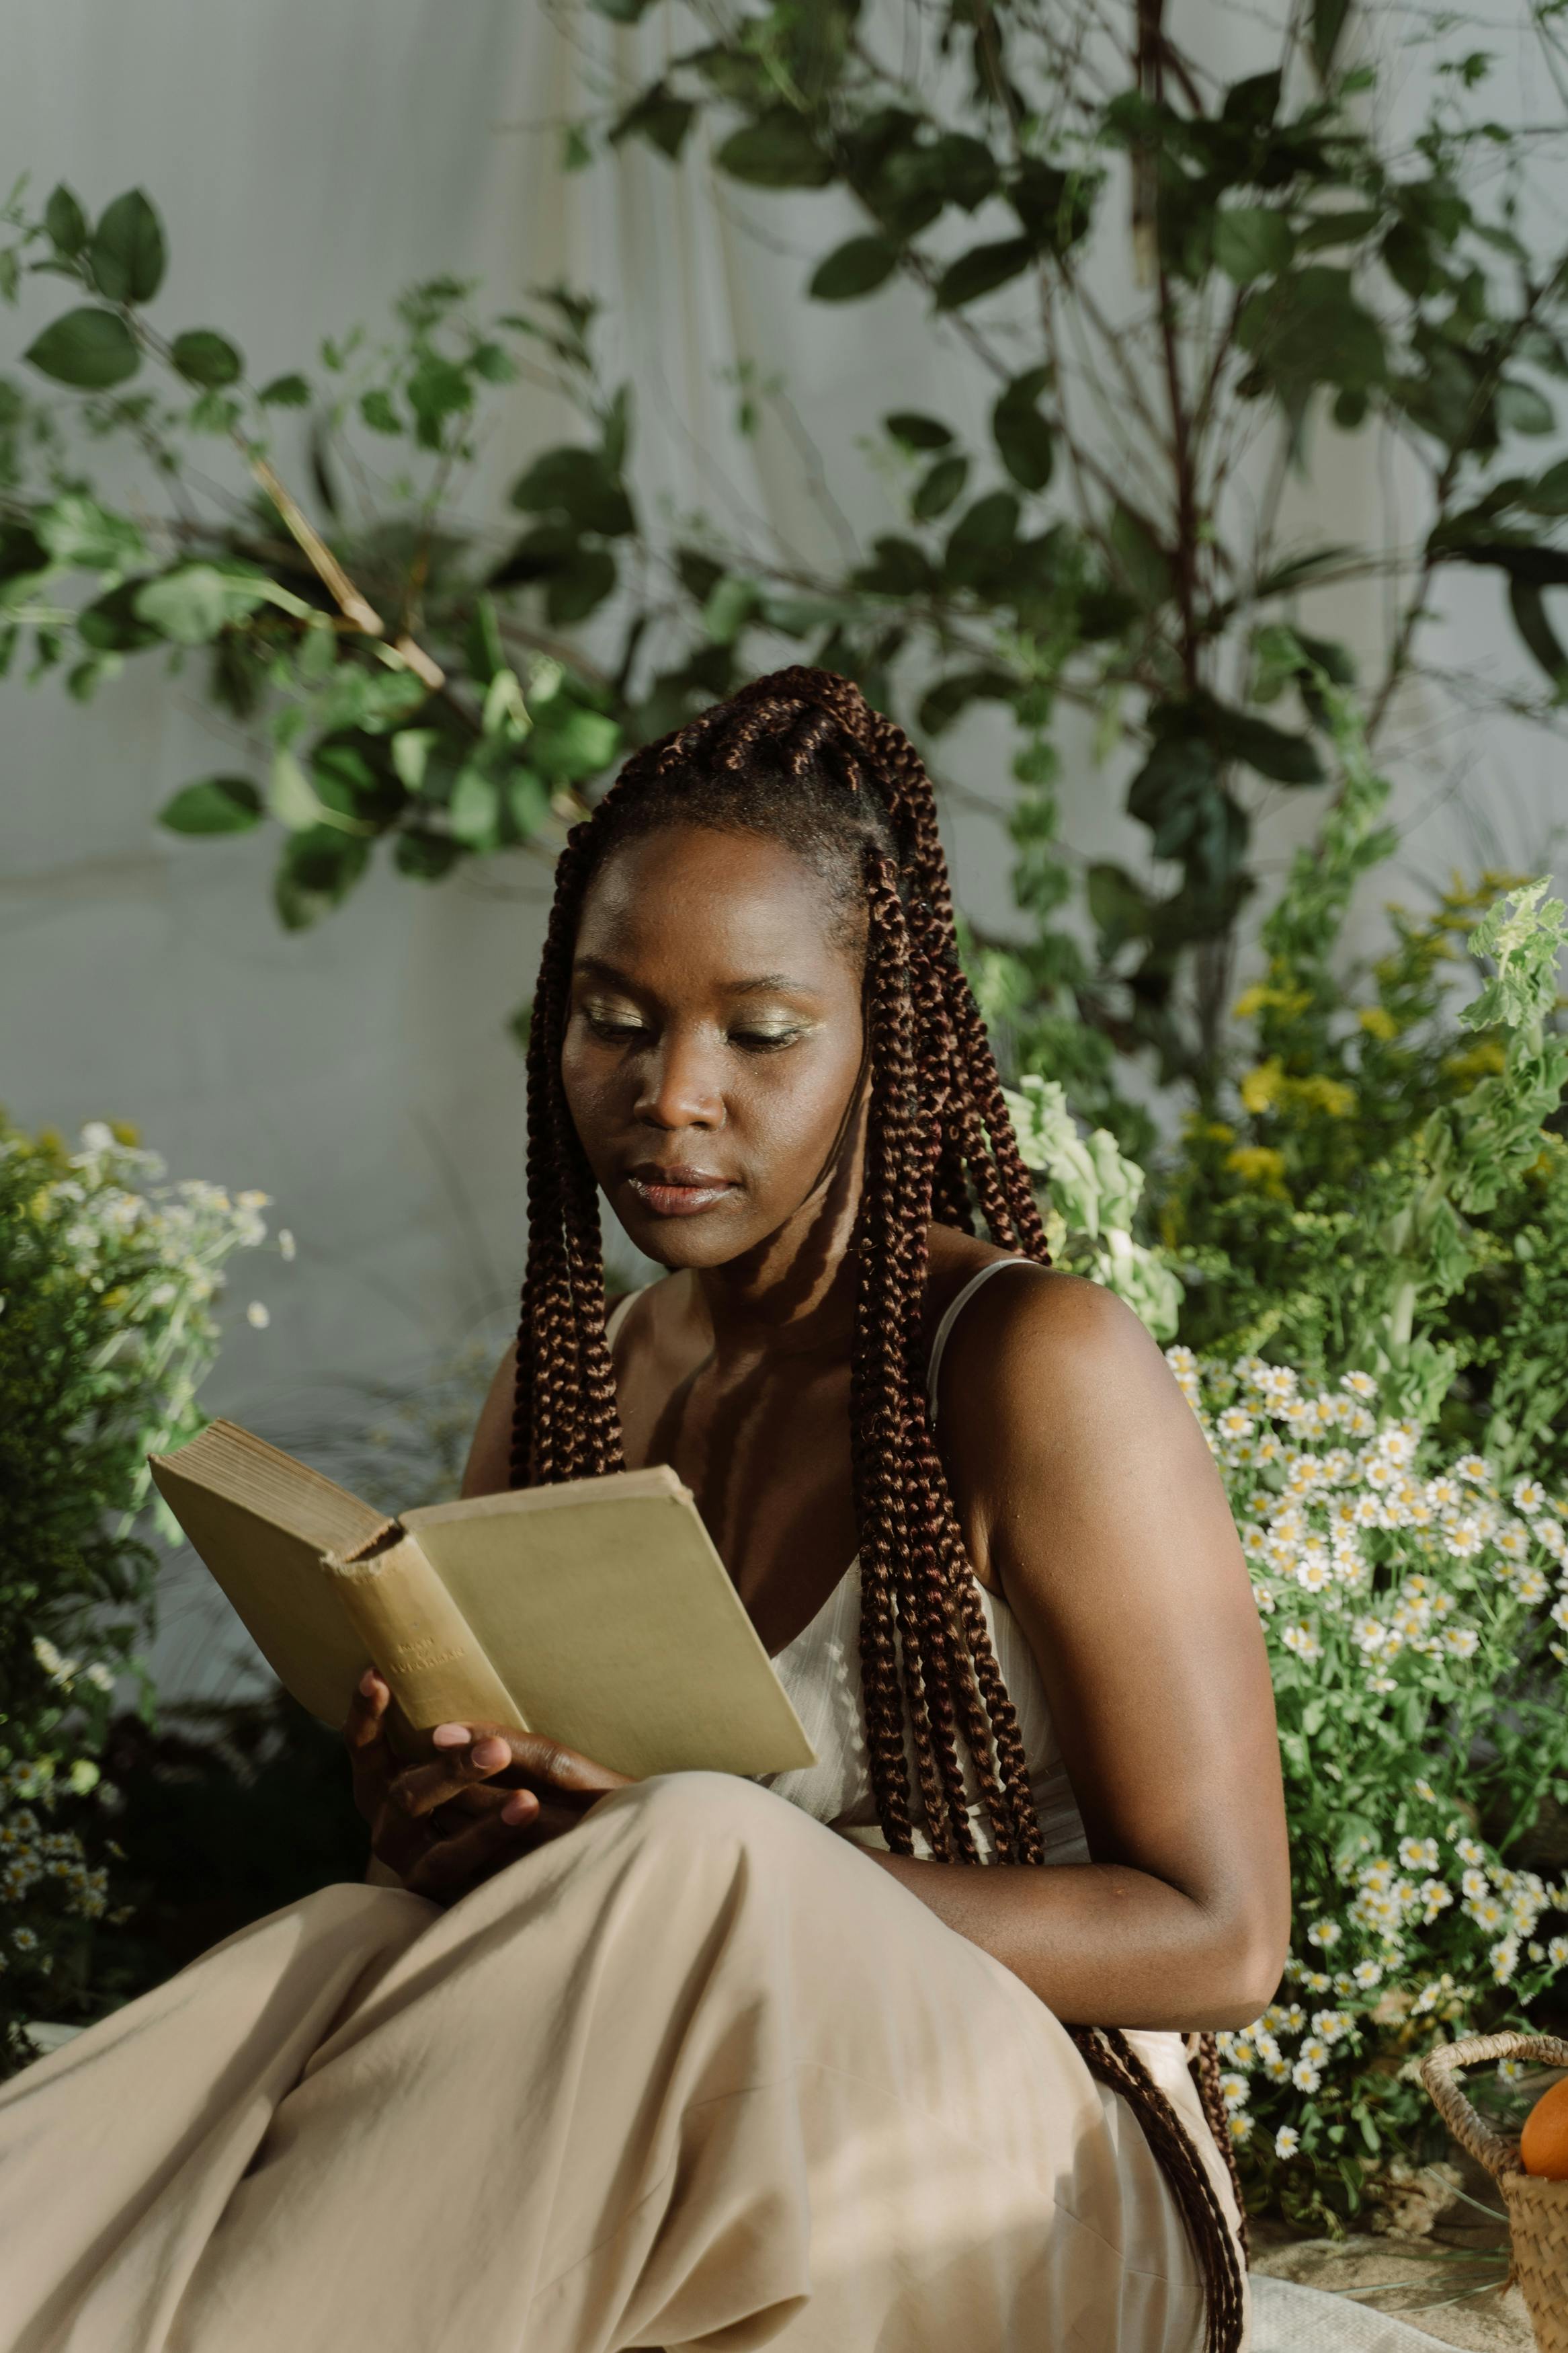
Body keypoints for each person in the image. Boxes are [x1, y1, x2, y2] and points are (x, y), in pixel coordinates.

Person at [0, 667, 1288, 2353]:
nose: (674, 1092)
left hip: (1028, 2178)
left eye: (761, 1034)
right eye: (616, 1017)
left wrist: (682, 1863)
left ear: (877, 1030)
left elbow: (1226, 1937)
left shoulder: (1030, 1360)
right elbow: (535, 1896)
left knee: (695, 1840)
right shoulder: (573, 1381)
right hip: (684, 2141)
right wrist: (453, 1832)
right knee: (342, 1930)